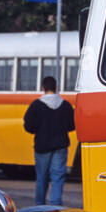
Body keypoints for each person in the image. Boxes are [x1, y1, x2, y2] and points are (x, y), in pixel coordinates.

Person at [23, 74, 76, 205]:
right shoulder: (65, 105)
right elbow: (72, 125)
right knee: (57, 178)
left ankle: (39, 207)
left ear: (43, 88)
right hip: (60, 146)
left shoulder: (36, 105)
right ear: (56, 87)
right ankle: (55, 207)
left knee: (42, 179)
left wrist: (38, 130)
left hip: (42, 147)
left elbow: (28, 125)